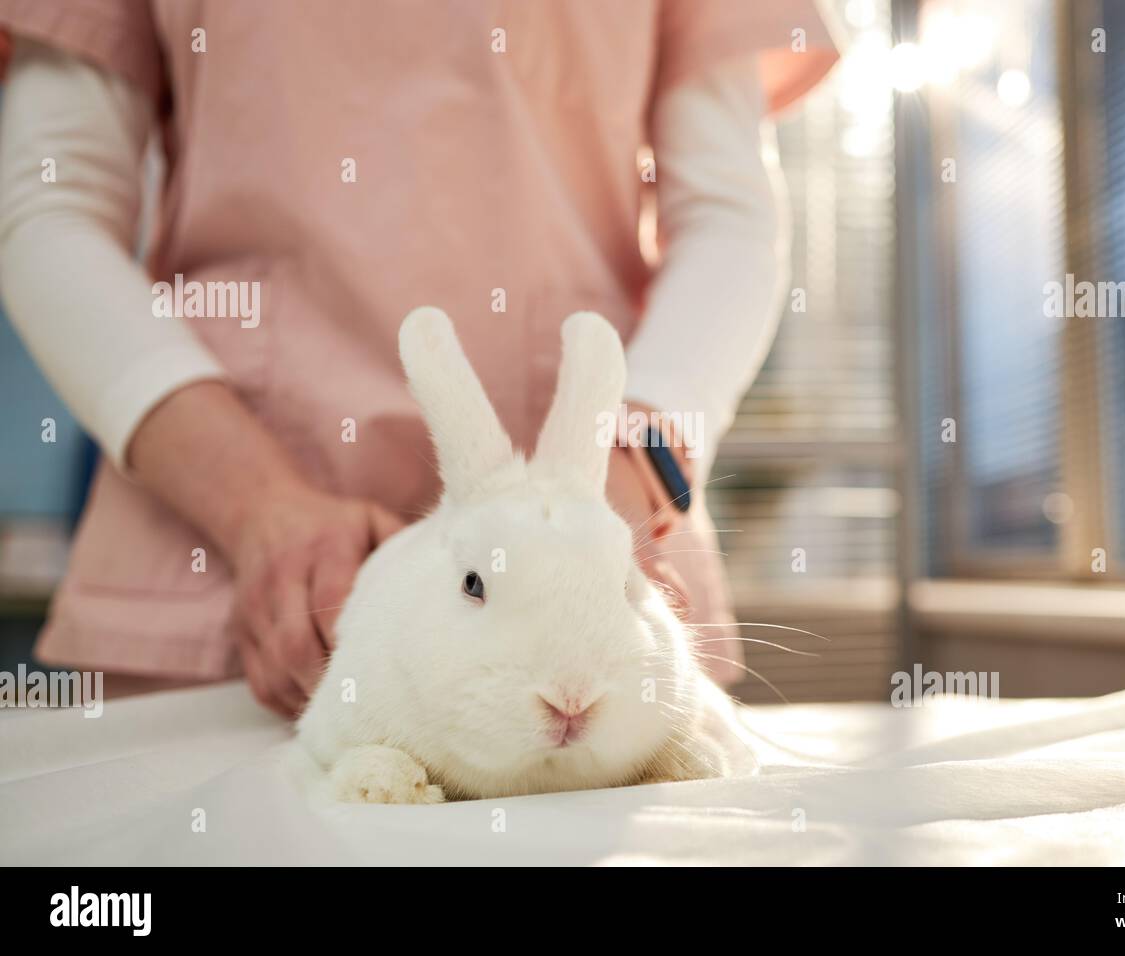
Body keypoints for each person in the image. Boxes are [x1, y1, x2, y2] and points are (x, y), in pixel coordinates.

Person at [0, 1, 839, 715]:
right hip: (226, 591)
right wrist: (259, 510)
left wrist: (627, 478)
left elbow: (730, 222)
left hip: (594, 600)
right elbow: (48, 205)